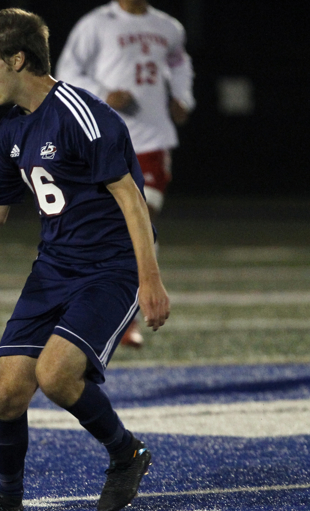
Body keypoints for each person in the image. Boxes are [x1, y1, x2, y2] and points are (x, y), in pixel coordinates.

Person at [0, 8, 169, 511]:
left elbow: (132, 199)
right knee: (7, 393)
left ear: (17, 58)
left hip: (109, 269)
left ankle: (126, 452)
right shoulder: (11, 129)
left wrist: (149, 279)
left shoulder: (79, 113)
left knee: (55, 375)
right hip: (52, 270)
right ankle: (8, 501)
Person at [55, 0, 194, 348]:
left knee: (144, 219)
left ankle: (128, 314)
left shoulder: (168, 26)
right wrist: (104, 94)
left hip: (151, 139)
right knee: (99, 224)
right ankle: (82, 304)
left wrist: (182, 97)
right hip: (103, 139)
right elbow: (66, 70)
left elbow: (179, 63)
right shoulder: (96, 23)